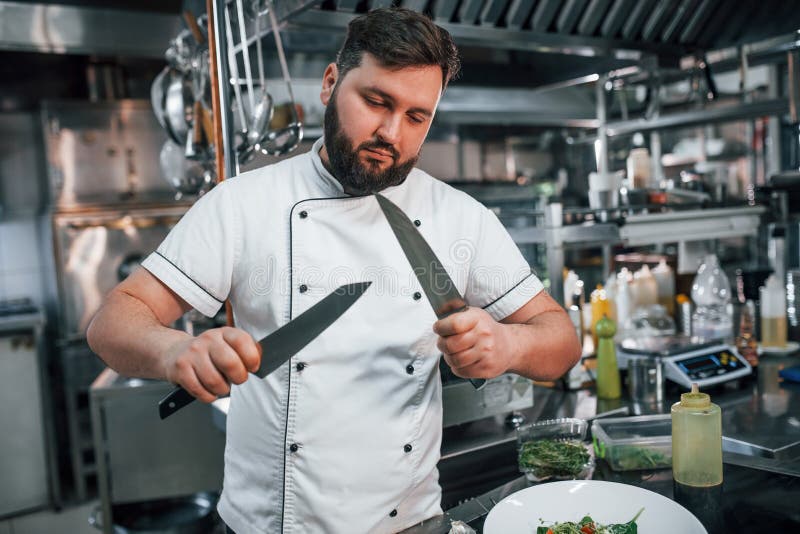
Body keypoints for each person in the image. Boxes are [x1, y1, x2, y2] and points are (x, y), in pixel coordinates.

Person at [87, 7, 581, 534]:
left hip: (410, 523)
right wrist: (175, 351)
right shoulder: (243, 204)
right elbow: (112, 323)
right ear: (330, 83)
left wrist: (507, 347)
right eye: (376, 101)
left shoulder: (459, 218)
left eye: (417, 117)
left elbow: (561, 342)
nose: (391, 133)